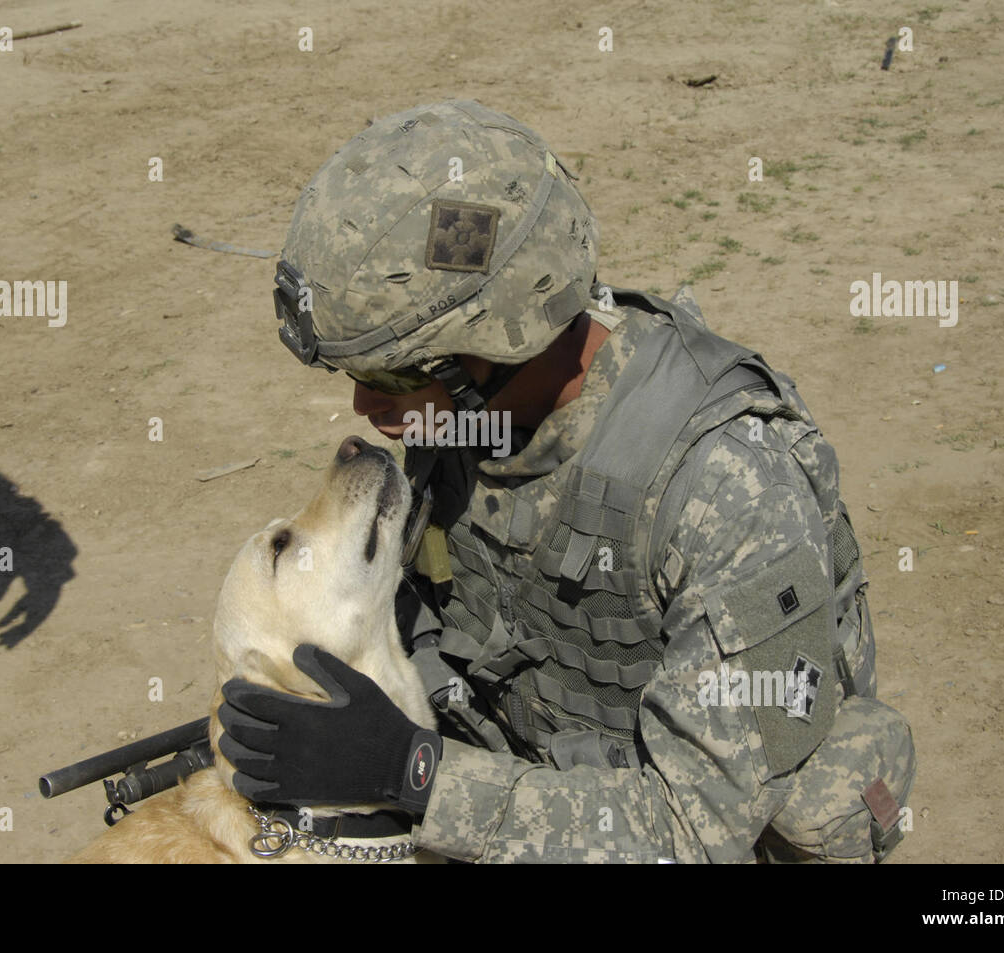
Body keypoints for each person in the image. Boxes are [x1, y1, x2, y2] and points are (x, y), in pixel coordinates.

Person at [218, 100, 916, 863]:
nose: (365, 409)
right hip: (542, 774)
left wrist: (412, 774)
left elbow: (689, 829)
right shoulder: (463, 419)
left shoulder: (724, 486)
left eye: (391, 373)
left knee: (808, 809)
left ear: (493, 343)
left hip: (698, 827)